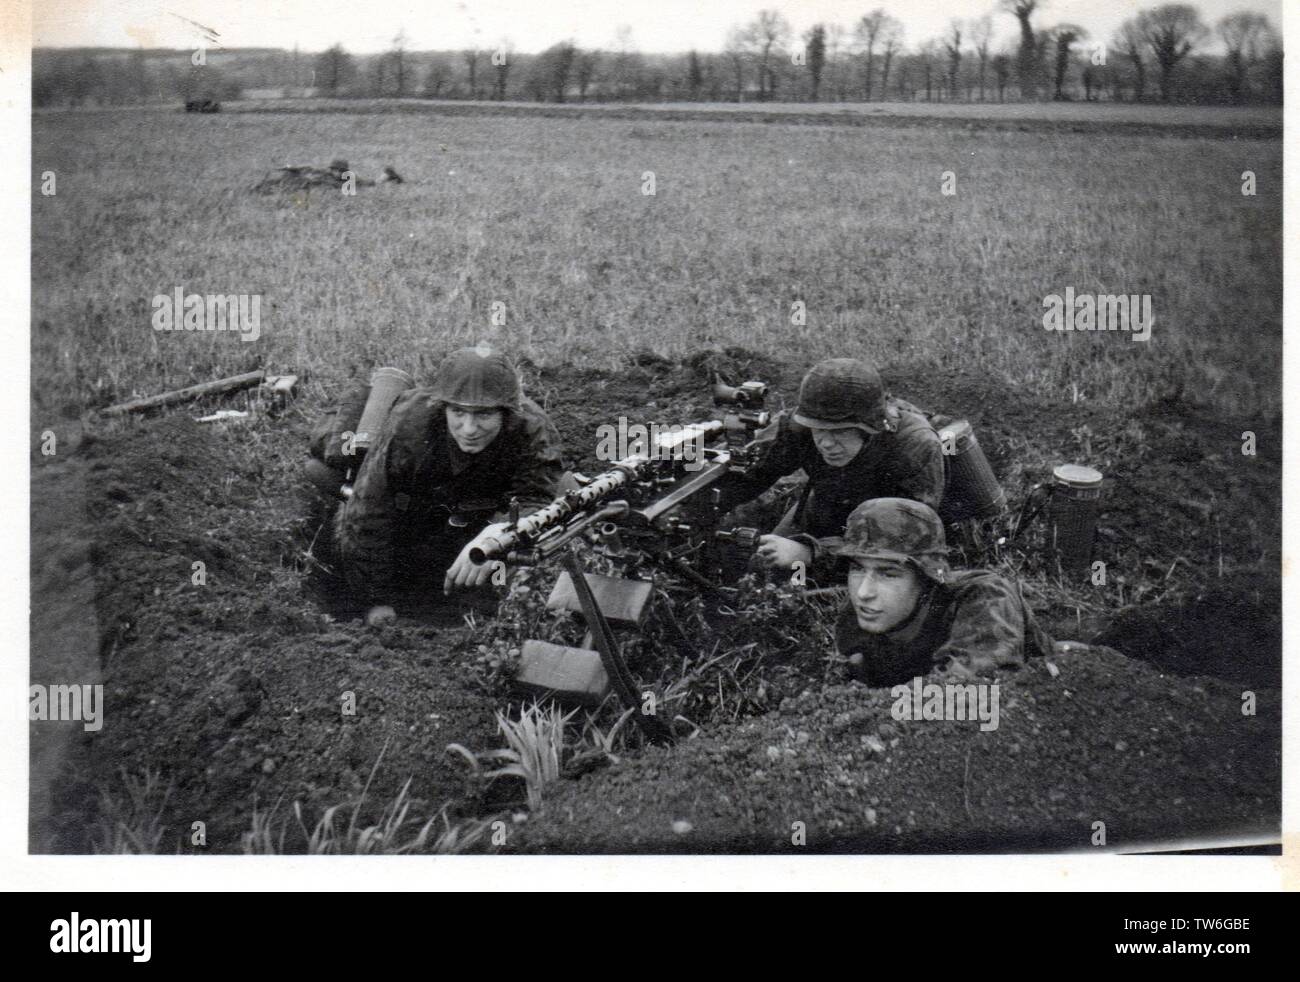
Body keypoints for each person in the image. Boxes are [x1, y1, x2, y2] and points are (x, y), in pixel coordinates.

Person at [332, 346, 563, 622]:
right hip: (415, 526)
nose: (469, 428)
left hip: (481, 529)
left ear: (506, 413)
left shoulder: (532, 429)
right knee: (344, 510)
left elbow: (537, 500)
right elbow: (368, 514)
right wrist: (376, 600)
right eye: (458, 412)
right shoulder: (410, 425)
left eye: (484, 415)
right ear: (443, 408)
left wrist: (495, 539)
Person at [716, 358, 945, 584]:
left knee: (868, 585)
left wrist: (810, 552)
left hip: (889, 524)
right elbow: (746, 473)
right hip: (828, 502)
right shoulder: (799, 426)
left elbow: (900, 543)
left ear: (870, 429)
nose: (825, 443)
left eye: (839, 432)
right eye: (818, 430)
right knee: (766, 572)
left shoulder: (914, 447)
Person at [833, 497, 1053, 687]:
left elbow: (969, 690)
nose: (863, 592)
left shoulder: (982, 598)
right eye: (858, 568)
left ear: (927, 578)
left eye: (888, 573)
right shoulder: (860, 614)